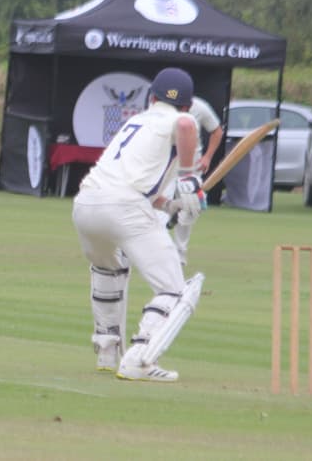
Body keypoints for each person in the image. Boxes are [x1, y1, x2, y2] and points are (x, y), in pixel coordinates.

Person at [72, 67, 206, 382]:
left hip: (86, 204)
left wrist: (171, 205)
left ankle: (107, 350)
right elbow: (186, 124)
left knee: (109, 269)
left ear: (152, 97)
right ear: (187, 104)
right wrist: (189, 179)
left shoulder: (136, 122)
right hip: (124, 207)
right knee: (174, 290)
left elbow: (140, 185)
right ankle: (140, 357)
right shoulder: (179, 119)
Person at [170, 95, 223, 268]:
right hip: (166, 166)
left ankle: (180, 255)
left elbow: (216, 131)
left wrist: (207, 157)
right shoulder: (163, 108)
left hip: (191, 167)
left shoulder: (200, 107)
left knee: (191, 208)